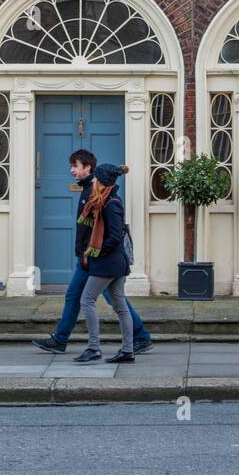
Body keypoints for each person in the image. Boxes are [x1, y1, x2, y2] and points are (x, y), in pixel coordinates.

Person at [32, 149, 153, 356]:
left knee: (111, 299)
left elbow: (100, 229)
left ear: (88, 168)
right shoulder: (89, 189)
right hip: (89, 256)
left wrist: (89, 253)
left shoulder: (95, 191)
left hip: (96, 258)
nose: (72, 170)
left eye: (75, 166)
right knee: (80, 296)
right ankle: (61, 339)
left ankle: (137, 337)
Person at [75, 163, 133, 364]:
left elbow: (115, 236)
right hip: (114, 263)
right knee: (120, 305)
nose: (93, 181)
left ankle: (93, 348)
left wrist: (96, 253)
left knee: (87, 300)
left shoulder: (111, 203)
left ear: (102, 181)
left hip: (109, 263)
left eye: (96, 178)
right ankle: (127, 351)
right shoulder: (103, 201)